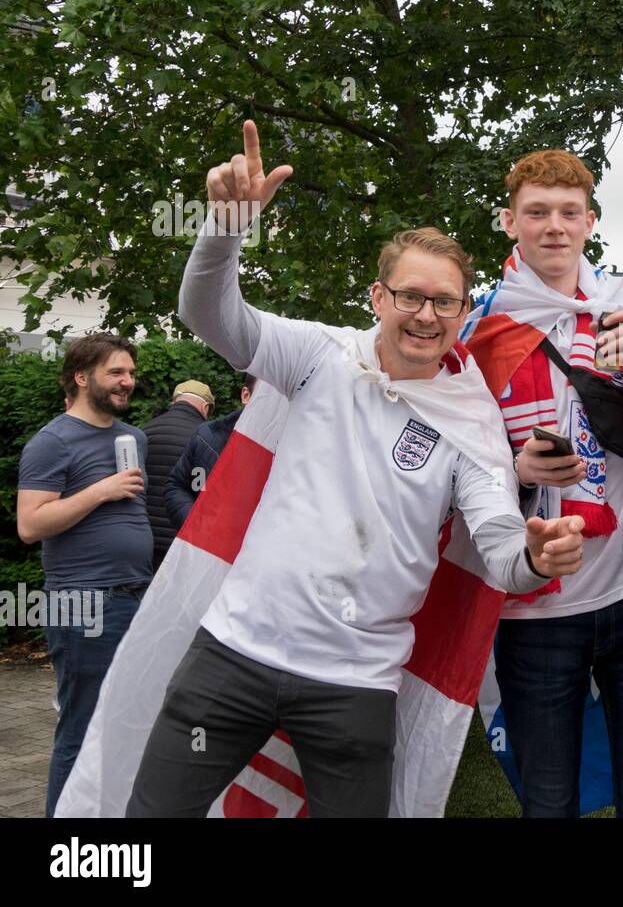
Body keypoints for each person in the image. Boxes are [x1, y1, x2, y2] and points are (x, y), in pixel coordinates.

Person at [125, 121, 587, 818]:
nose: (425, 315)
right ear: (378, 297)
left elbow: (500, 552)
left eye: (445, 301)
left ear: (464, 310)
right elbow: (208, 313)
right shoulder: (320, 354)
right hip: (234, 655)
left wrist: (535, 554)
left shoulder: (473, 422)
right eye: (410, 295)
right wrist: (224, 229)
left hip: (355, 686)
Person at [461, 149, 623, 817]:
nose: (553, 226)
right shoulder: (478, 328)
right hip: (535, 608)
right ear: (509, 222)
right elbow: (460, 453)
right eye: (537, 212)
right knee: (549, 800)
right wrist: (517, 470)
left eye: (567, 212)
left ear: (589, 221)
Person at [16, 332, 153, 816]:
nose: (128, 381)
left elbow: (130, 515)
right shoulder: (51, 441)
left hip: (135, 597)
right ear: (81, 377)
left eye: (130, 373)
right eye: (116, 372)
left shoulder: (130, 438)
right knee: (81, 728)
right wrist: (101, 490)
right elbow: (31, 524)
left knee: (126, 722)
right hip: (83, 603)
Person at [164, 375, 256, 528]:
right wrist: (198, 527)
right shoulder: (206, 437)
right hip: (196, 543)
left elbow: (194, 486)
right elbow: (189, 487)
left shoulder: (146, 430)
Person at [140, 380, 213, 568]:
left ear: (175, 401)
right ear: (205, 407)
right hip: (181, 539)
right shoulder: (205, 438)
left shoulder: (145, 431)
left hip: (144, 537)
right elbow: (201, 490)